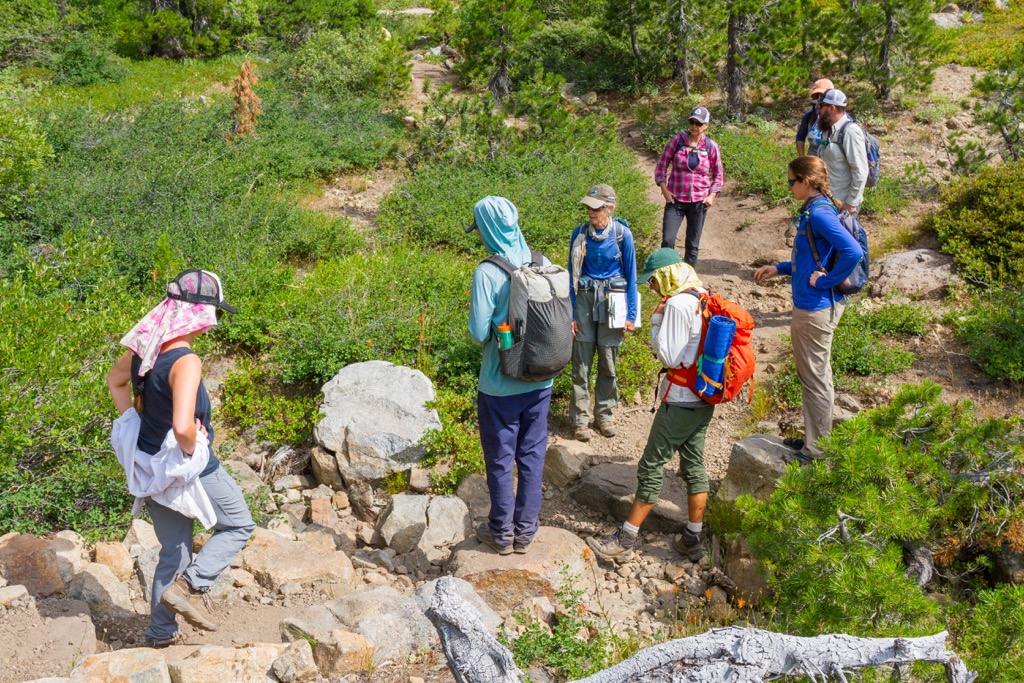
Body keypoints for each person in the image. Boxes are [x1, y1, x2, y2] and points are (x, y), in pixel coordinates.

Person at [106, 270, 255, 648]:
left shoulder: (143, 349)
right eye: (215, 313)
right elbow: (183, 426)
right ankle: (190, 587)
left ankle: (159, 636)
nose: (214, 321)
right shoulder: (185, 361)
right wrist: (193, 447)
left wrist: (136, 421)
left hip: (149, 465)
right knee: (239, 525)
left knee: (174, 553)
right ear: (199, 313)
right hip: (189, 468)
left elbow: (115, 382)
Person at [586, 248, 713, 563]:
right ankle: (692, 539)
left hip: (681, 399)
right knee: (693, 465)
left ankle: (626, 539)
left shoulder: (678, 304)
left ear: (667, 275)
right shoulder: (703, 295)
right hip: (704, 396)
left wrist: (656, 320)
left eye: (654, 281)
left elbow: (669, 357)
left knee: (650, 466)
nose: (652, 287)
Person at [753, 157, 863, 462]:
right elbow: (810, 258)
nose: (789, 187)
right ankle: (814, 439)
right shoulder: (818, 208)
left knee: (815, 380)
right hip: (814, 306)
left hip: (815, 309)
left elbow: (852, 252)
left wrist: (826, 280)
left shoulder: (820, 214)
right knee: (815, 377)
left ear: (806, 182)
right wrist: (779, 268)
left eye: (791, 182)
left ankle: (816, 451)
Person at [466, 196, 553, 556]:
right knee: (531, 456)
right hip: (541, 380)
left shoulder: (487, 272)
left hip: (499, 384)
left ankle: (501, 533)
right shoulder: (542, 261)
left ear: (487, 229)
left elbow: (478, 333)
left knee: (501, 460)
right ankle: (526, 531)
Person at [568, 183, 640, 442]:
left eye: (596, 208)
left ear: (609, 208)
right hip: (584, 301)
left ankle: (604, 415)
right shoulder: (579, 234)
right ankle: (580, 420)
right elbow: (571, 276)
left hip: (613, 302)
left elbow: (632, 276)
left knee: (608, 361)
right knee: (581, 362)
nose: (591, 212)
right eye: (588, 207)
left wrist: (632, 314)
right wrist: (571, 314)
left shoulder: (622, 235)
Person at [654, 106, 724, 266]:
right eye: (692, 122)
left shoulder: (711, 146)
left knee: (692, 244)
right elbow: (661, 165)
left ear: (706, 125)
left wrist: (711, 196)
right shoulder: (677, 141)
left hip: (699, 202)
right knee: (668, 240)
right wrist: (664, 190)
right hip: (675, 200)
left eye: (698, 123)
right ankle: (668, 273)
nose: (694, 126)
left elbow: (718, 175)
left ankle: (688, 277)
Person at [815, 88, 868, 213]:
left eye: (821, 107)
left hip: (844, 205)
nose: (818, 111)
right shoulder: (827, 130)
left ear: (831, 108)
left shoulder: (850, 132)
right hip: (828, 201)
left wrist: (851, 202)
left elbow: (860, 170)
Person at [795, 78, 834, 157]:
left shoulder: (838, 117)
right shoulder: (809, 116)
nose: (819, 100)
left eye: (822, 96)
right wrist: (802, 158)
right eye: (816, 96)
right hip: (813, 160)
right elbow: (800, 137)